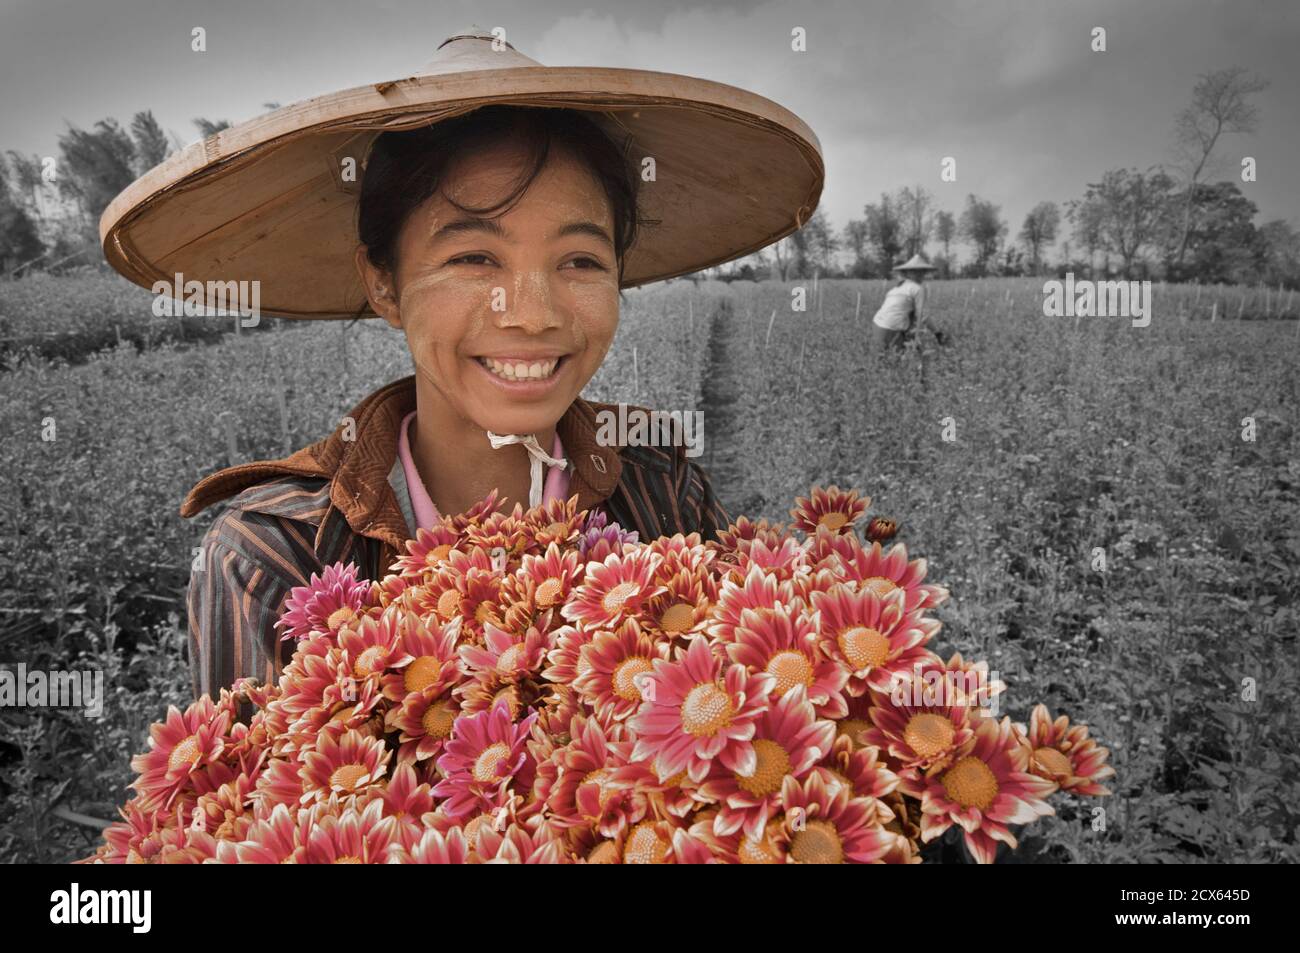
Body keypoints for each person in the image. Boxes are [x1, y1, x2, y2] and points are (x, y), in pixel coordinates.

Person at [97, 29, 823, 700]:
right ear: (384, 281)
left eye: (580, 260)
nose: (534, 312)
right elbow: (238, 819)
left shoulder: (664, 494)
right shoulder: (271, 559)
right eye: (474, 257)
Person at [871, 254, 937, 352]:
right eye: (915, 271)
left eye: (922, 271)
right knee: (896, 360)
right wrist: (937, 333)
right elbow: (922, 315)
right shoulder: (918, 288)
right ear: (908, 273)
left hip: (877, 324)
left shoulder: (898, 287)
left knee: (883, 359)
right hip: (891, 327)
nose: (919, 274)